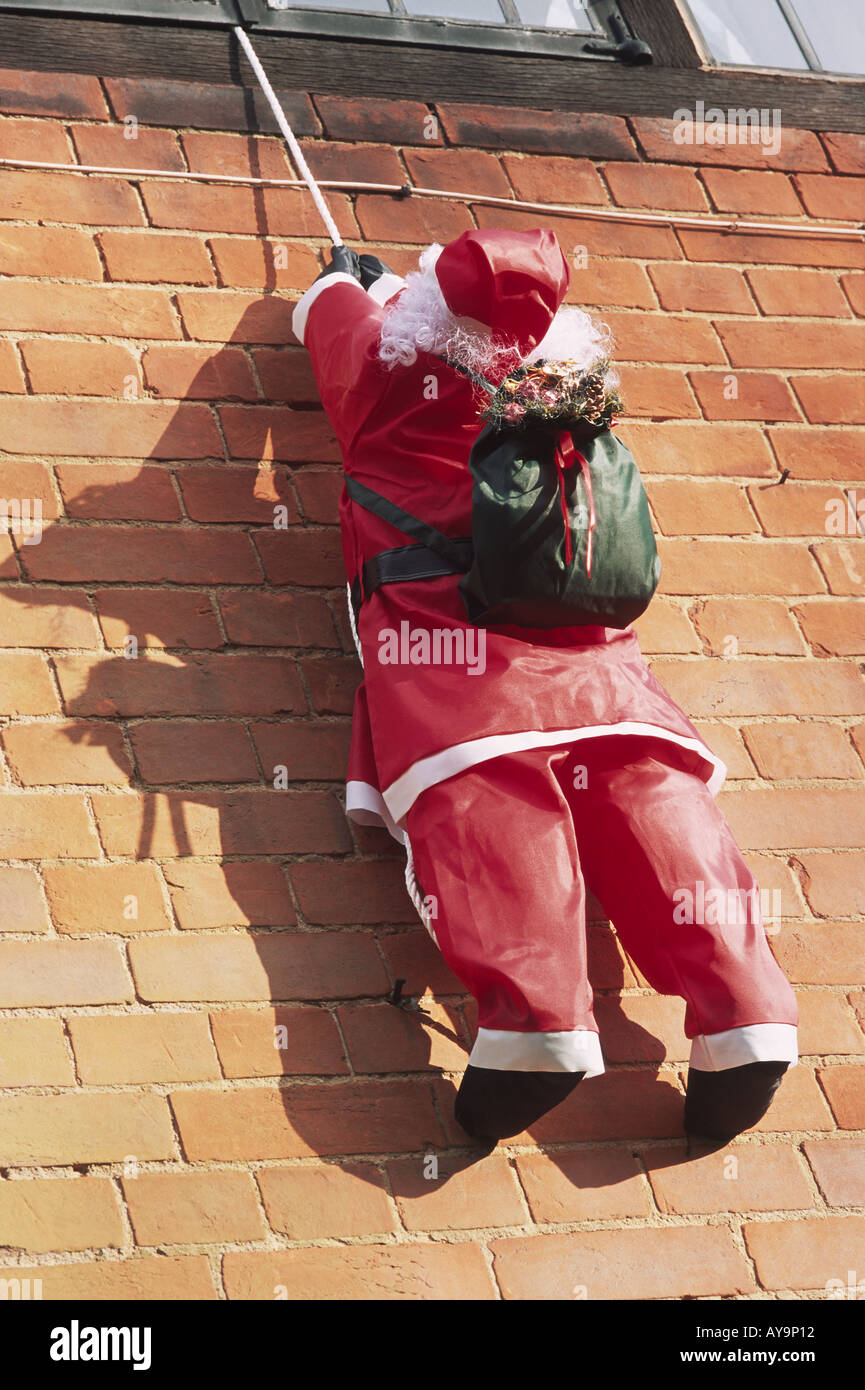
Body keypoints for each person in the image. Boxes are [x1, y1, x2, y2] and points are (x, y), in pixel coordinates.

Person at [291, 227, 798, 1145]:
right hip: (599, 657)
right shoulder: (570, 384)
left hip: (457, 656)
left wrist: (341, 284)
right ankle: (746, 1013)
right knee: (650, 796)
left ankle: (539, 1028)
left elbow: (335, 337)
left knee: (492, 802)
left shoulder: (392, 370)